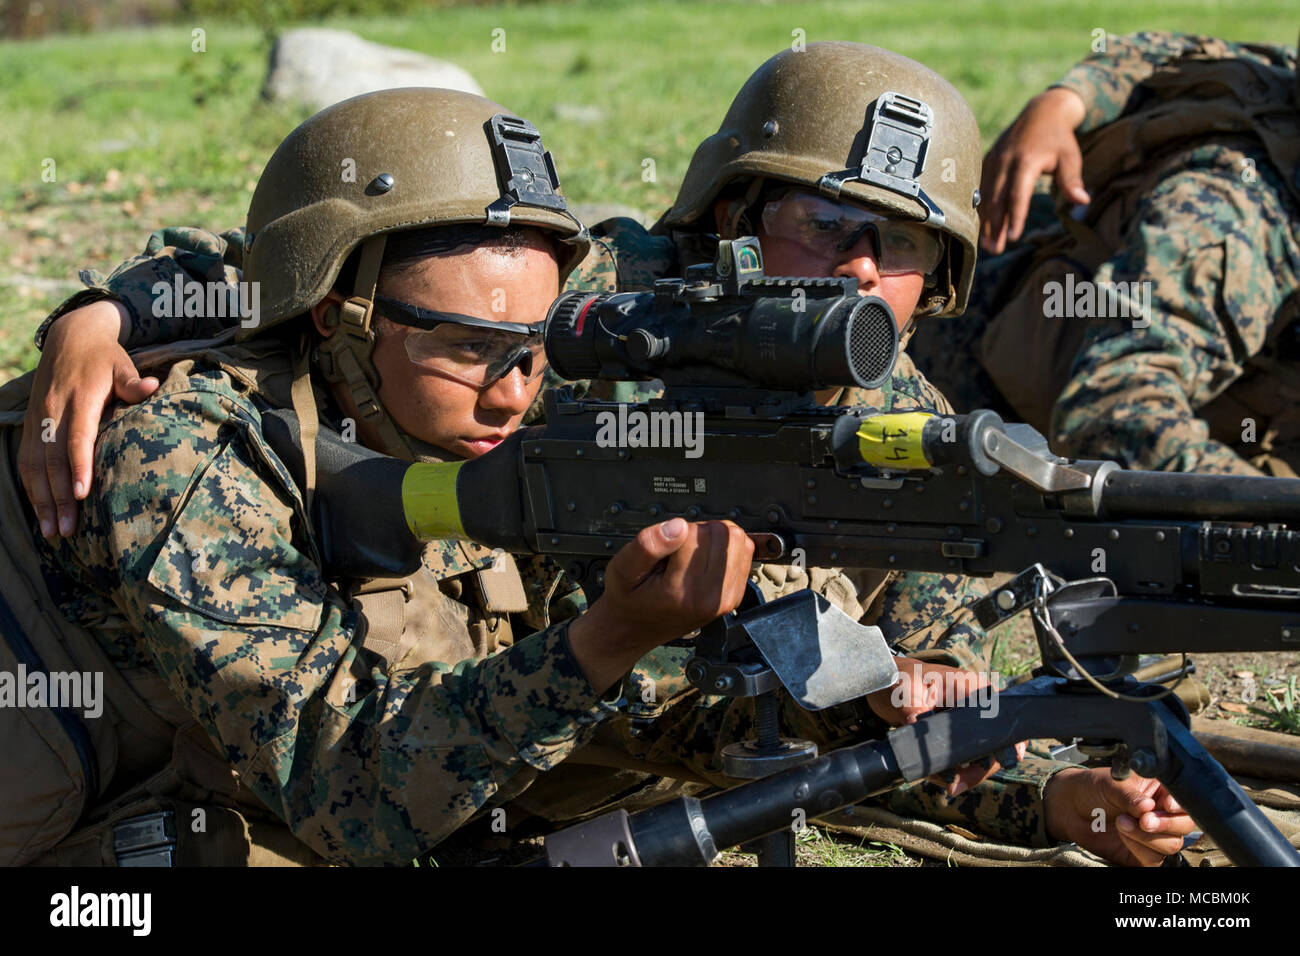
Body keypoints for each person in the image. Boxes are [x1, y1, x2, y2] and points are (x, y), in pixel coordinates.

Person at [14, 52, 1191, 865]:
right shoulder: (210, 440)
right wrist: (96, 314)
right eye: (823, 226)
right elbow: (360, 797)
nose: (519, 383)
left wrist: (1043, 790)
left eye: (896, 246)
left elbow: (764, 705)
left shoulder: (879, 423)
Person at [908, 31, 1300, 477]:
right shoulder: (1225, 222)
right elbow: (1111, 413)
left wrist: (1068, 100)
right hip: (972, 433)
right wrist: (1272, 516)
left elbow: (1171, 52)